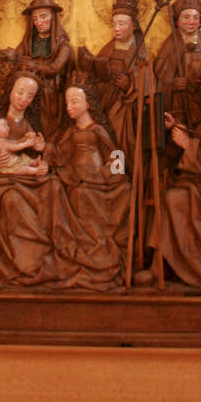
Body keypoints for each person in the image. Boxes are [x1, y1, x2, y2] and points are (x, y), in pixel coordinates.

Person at [137, 66, 201, 290]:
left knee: (172, 199)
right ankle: (160, 265)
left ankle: (167, 266)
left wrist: (187, 144)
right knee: (170, 196)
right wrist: (176, 129)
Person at [0, 72, 76, 287]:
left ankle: (58, 254)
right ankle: (24, 263)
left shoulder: (30, 127)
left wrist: (42, 164)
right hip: (2, 184)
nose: (23, 98)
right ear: (10, 91)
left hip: (26, 177)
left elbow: (33, 156)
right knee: (12, 200)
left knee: (54, 185)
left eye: (30, 95)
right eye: (20, 92)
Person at [44, 76, 131, 289]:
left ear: (88, 104)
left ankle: (103, 252)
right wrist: (42, 147)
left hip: (99, 179)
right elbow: (60, 155)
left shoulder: (98, 130)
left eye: (74, 101)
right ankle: (84, 255)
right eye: (67, 103)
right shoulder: (70, 132)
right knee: (78, 194)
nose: (69, 107)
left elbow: (116, 155)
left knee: (124, 190)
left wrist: (105, 174)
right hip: (77, 179)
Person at [77, 0, 146, 167]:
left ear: (133, 26)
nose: (116, 28)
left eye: (122, 23)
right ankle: (108, 175)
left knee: (120, 143)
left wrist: (130, 85)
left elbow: (148, 84)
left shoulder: (139, 53)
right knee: (103, 140)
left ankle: (121, 176)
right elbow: (94, 76)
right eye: (114, 23)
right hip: (103, 106)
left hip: (125, 111)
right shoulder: (107, 49)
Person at [153, 0, 201, 131]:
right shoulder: (171, 43)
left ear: (200, 21)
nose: (191, 21)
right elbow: (160, 71)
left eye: (195, 17)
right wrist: (172, 83)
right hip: (178, 102)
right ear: (177, 21)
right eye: (186, 17)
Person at [13, 0, 73, 141]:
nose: (39, 22)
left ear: (53, 18)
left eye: (43, 17)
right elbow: (17, 57)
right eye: (35, 19)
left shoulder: (62, 45)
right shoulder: (28, 41)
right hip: (29, 87)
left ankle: (47, 145)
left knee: (46, 118)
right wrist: (18, 61)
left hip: (50, 90)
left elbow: (55, 68)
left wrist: (34, 66)